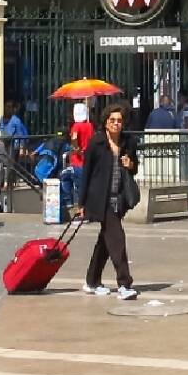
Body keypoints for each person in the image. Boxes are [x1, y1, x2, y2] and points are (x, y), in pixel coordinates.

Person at [78, 103, 138, 299]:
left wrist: (131, 165)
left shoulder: (128, 142)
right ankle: (124, 284)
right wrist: (81, 203)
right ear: (105, 122)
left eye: (119, 121)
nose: (116, 124)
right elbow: (86, 173)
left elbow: (134, 168)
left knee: (105, 241)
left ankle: (91, 281)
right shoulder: (96, 143)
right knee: (117, 238)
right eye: (112, 120)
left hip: (119, 199)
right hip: (100, 199)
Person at [63, 102, 95, 211]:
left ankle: (74, 205)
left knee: (68, 180)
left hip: (77, 161)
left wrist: (76, 148)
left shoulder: (76, 126)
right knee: (84, 185)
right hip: (87, 160)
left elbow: (74, 138)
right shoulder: (90, 125)